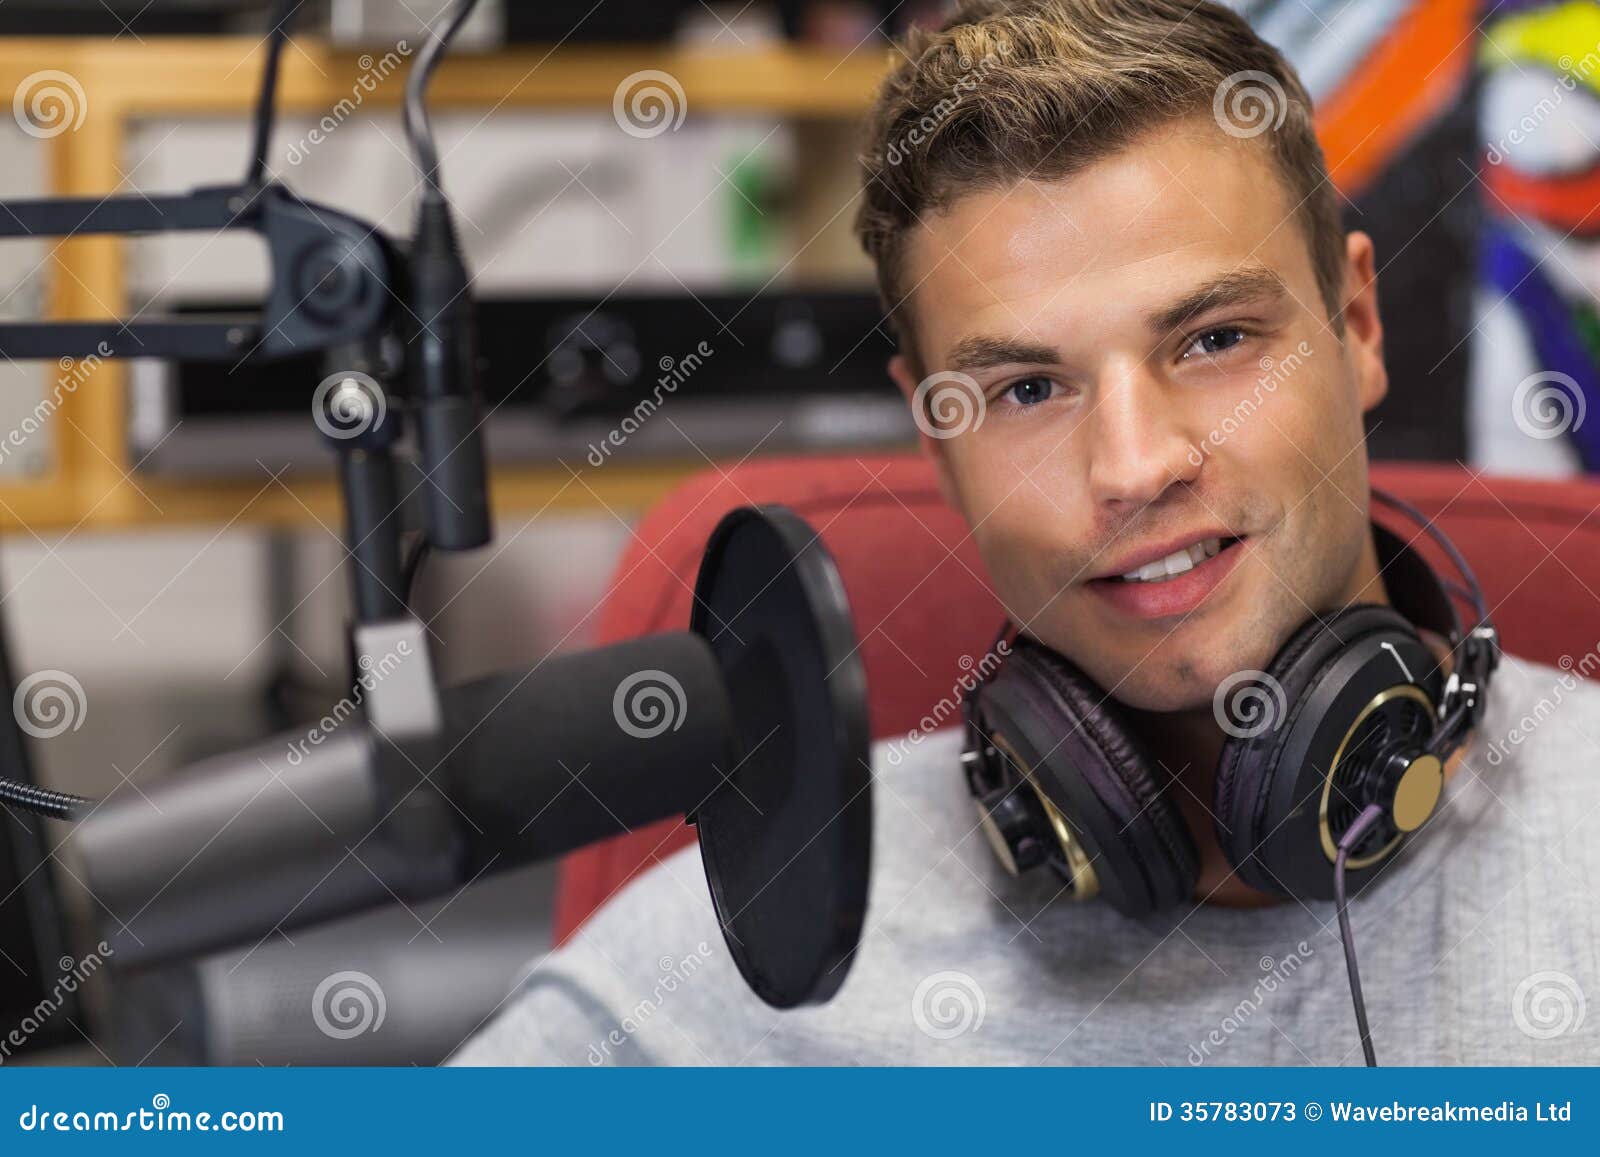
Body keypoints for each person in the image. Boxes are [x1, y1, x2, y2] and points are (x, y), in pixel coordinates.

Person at [452, 0, 1600, 1065]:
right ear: (939, 442)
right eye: (1026, 390)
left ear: (1354, 324)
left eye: (1212, 340)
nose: (1135, 465)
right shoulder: (734, 968)